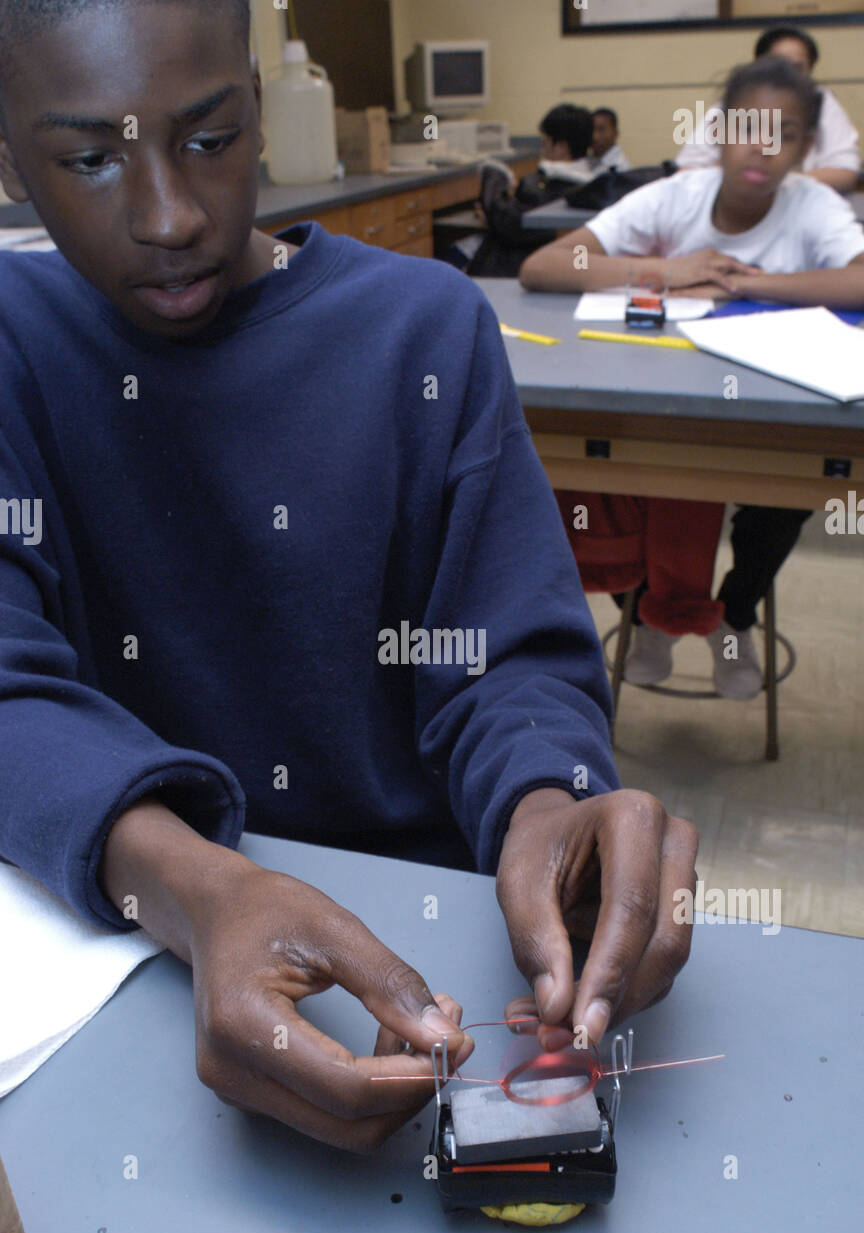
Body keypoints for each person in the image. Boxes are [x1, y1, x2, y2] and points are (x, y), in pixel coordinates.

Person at [0, 0, 698, 1152]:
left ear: (263, 112)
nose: (169, 215)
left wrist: (546, 802)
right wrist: (194, 888)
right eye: (86, 159)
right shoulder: (16, 346)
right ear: (12, 164)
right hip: (115, 968)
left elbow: (501, 660)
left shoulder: (424, 333)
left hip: (428, 959)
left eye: (211, 140)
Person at [520, 57, 864, 698]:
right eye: (747, 126)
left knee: (781, 496)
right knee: (626, 476)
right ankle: (648, 612)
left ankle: (734, 616)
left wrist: (750, 283)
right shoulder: (677, 195)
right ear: (720, 129)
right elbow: (544, 265)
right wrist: (662, 272)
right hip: (667, 410)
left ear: (806, 148)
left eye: (783, 133)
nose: (761, 146)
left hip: (769, 419)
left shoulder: (810, 205)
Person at [676, 24, 860, 194]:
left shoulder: (822, 102)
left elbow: (845, 172)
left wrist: (777, 183)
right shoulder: (735, 100)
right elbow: (687, 172)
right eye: (746, 130)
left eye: (797, 68)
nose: (786, 75)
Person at [463, 103, 594, 277]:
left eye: (544, 142)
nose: (542, 150)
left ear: (561, 147)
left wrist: (494, 179)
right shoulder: (589, 188)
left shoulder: (545, 187)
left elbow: (508, 223)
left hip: (507, 273)